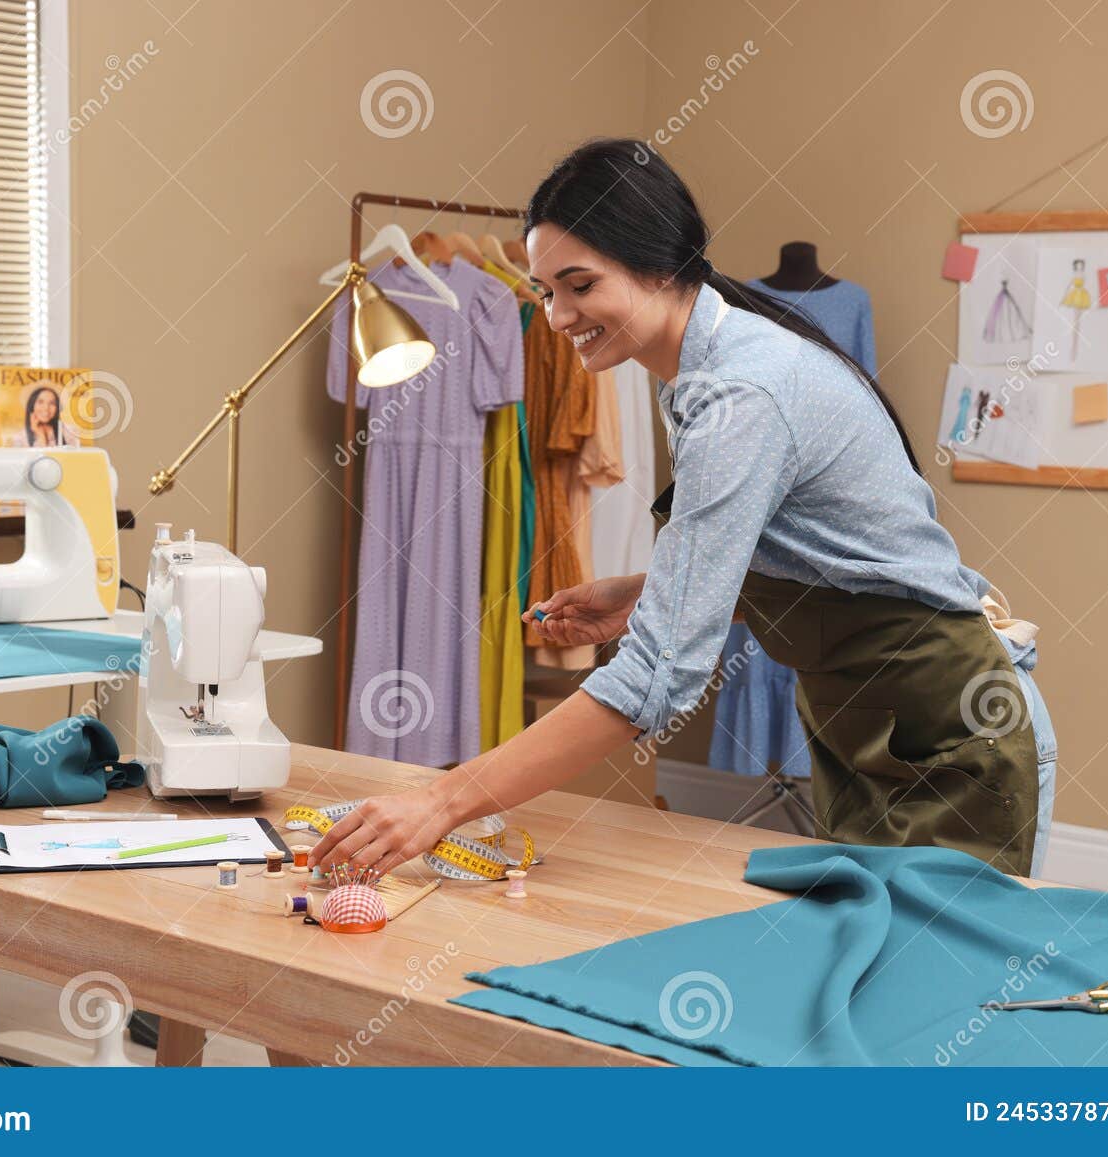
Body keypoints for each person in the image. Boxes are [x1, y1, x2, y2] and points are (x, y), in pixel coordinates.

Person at [314, 138, 1057, 880]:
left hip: (952, 737)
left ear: (659, 264)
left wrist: (440, 803)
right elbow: (830, 560)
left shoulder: (740, 395)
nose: (558, 315)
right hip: (874, 734)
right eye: (544, 291)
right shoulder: (695, 369)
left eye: (579, 285)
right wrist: (642, 593)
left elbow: (654, 679)